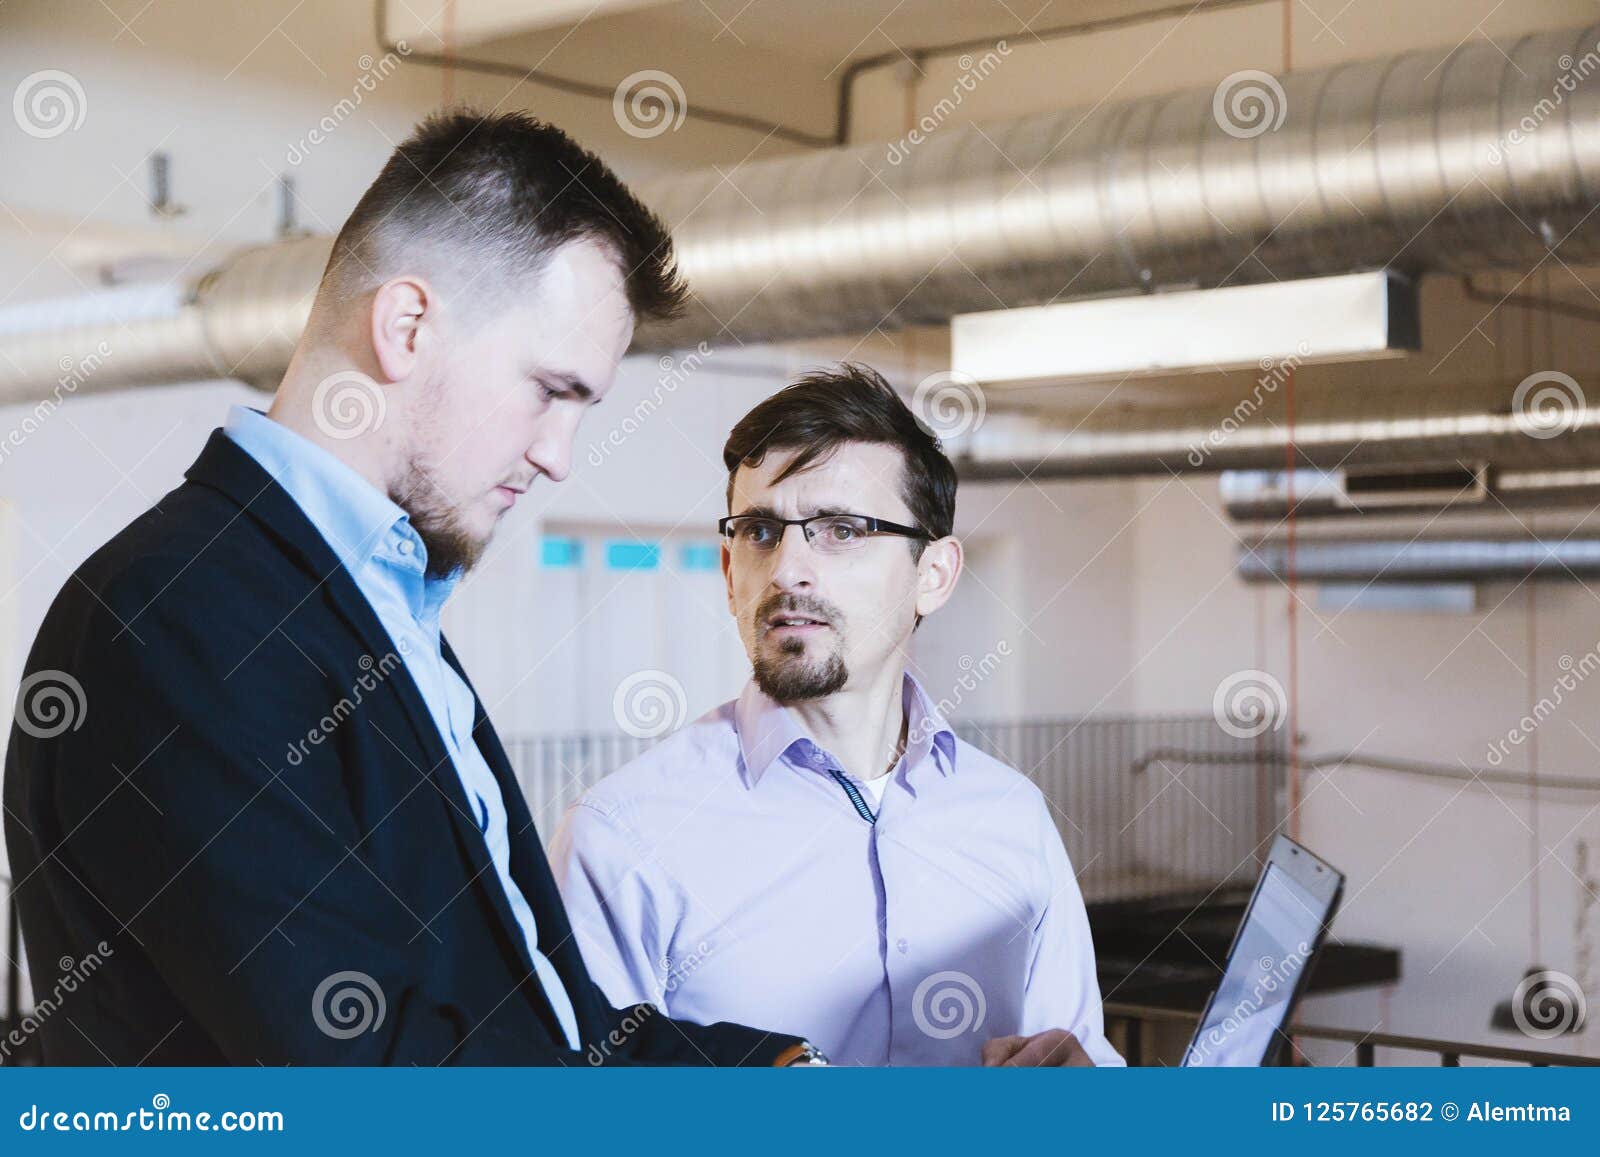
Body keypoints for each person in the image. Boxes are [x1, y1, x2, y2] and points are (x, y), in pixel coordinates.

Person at [3, 110, 821, 1067]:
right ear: (406, 327)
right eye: (550, 390)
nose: (558, 456)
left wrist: (789, 1077)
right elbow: (378, 1075)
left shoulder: (382, 610)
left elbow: (548, 1028)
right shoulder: (175, 619)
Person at [552, 364, 1123, 1067]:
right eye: (761, 530)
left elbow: (1079, 1067)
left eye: (841, 529)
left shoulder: (1013, 819)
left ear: (934, 575)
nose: (789, 568)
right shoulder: (620, 840)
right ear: (730, 572)